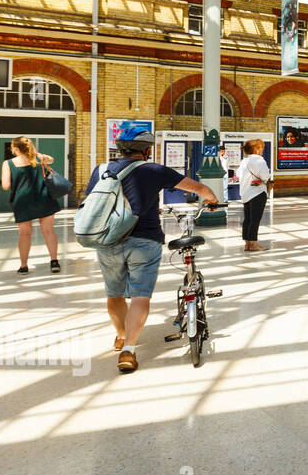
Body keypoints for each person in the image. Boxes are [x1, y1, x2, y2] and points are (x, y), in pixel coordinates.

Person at [83, 130, 219, 374]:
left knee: (114, 294)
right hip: (145, 240)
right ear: (146, 150)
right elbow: (198, 188)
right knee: (140, 296)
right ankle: (129, 351)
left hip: (108, 240)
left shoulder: (101, 169)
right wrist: (212, 199)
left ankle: (122, 336)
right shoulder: (154, 170)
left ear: (120, 149)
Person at [0, 136, 62, 274]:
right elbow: (51, 159)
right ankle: (54, 262)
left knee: (24, 234)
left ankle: (23, 266)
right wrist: (36, 154)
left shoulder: (8, 163)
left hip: (22, 201)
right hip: (44, 198)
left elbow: (6, 185)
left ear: (15, 148)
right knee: (48, 231)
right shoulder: (38, 158)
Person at [237, 139, 271, 253]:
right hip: (257, 193)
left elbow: (238, 175)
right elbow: (265, 176)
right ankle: (254, 244)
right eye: (261, 147)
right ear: (256, 149)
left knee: (247, 219)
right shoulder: (259, 160)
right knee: (255, 219)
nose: (262, 150)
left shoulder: (244, 161)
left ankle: (247, 244)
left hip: (245, 193)